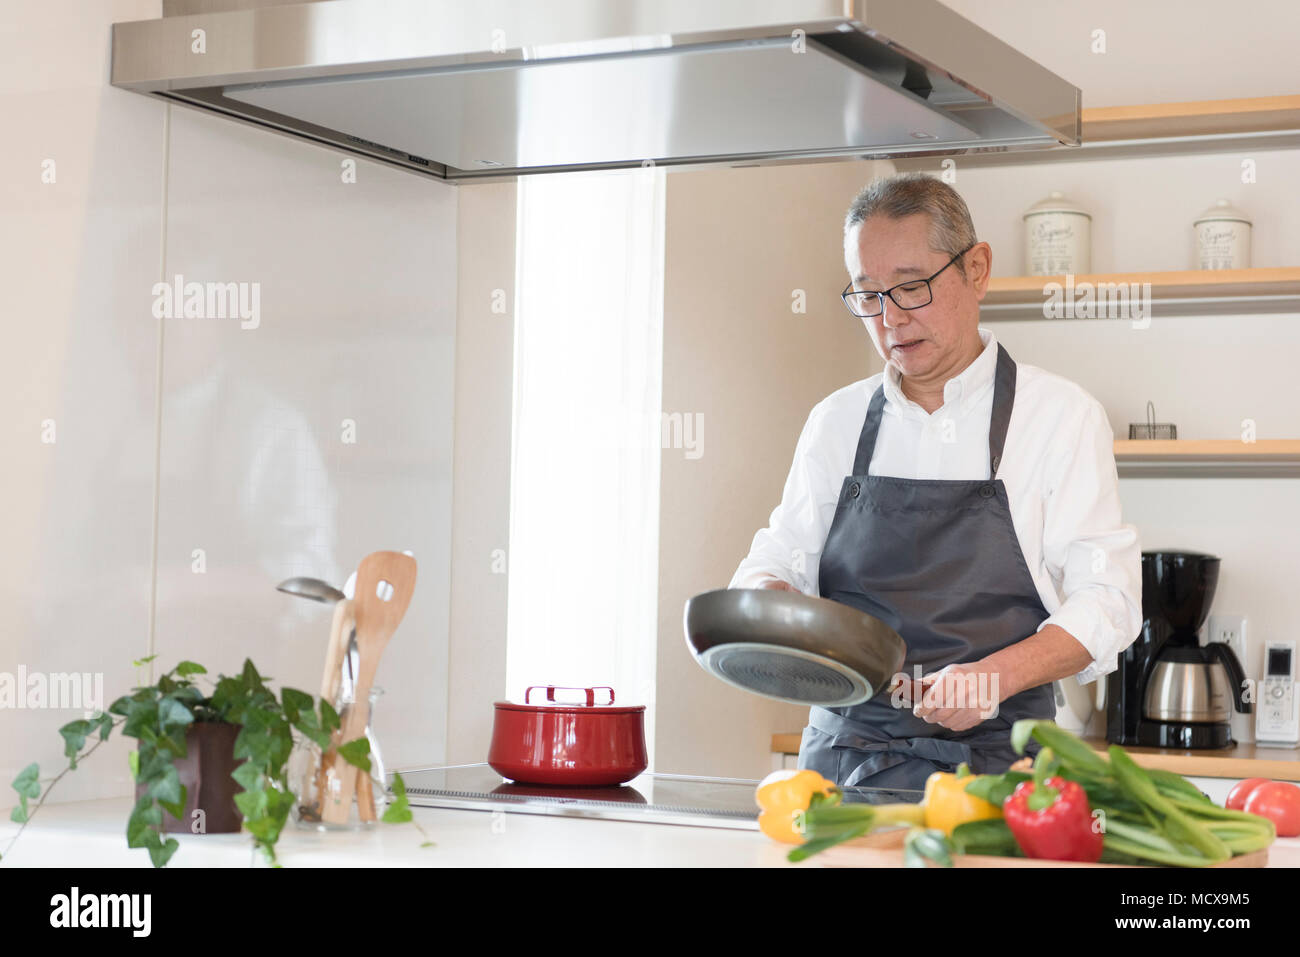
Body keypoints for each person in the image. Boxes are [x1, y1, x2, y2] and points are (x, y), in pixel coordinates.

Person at [729, 173, 1142, 791]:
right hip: (844, 762)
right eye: (868, 295)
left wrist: (992, 677)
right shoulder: (835, 421)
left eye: (912, 286)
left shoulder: (1061, 416)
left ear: (976, 269)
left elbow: (1109, 598)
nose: (890, 318)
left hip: (1001, 773)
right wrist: (769, 590)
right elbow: (779, 555)